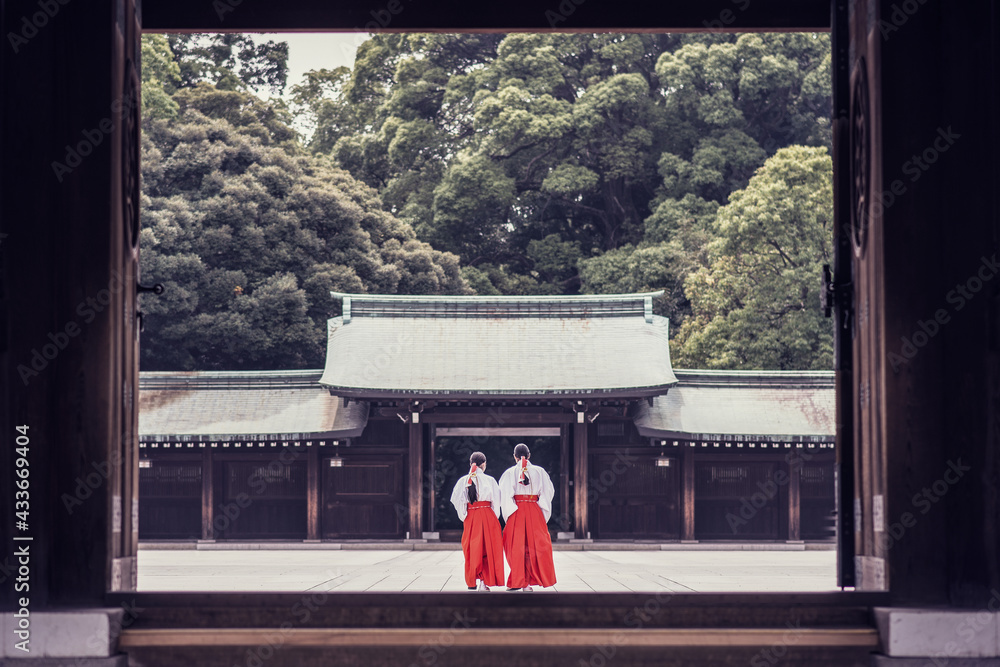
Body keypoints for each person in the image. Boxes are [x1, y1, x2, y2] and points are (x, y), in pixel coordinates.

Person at [499, 443, 557, 591]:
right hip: (534, 509)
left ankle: (519, 581)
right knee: (535, 547)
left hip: (516, 510)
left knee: (515, 547)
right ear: (529, 455)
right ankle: (530, 582)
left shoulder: (509, 473)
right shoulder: (540, 471)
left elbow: (504, 496)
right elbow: (548, 492)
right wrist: (542, 511)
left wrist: (509, 515)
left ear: (514, 456)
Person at [449, 451, 504, 591]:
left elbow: (456, 500)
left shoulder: (462, 481)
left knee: (471, 549)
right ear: (483, 464)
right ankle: (484, 582)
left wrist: (464, 515)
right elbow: (497, 502)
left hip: (471, 516)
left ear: (470, 463)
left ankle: (472, 580)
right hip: (487, 514)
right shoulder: (490, 480)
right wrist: (494, 516)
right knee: (487, 549)